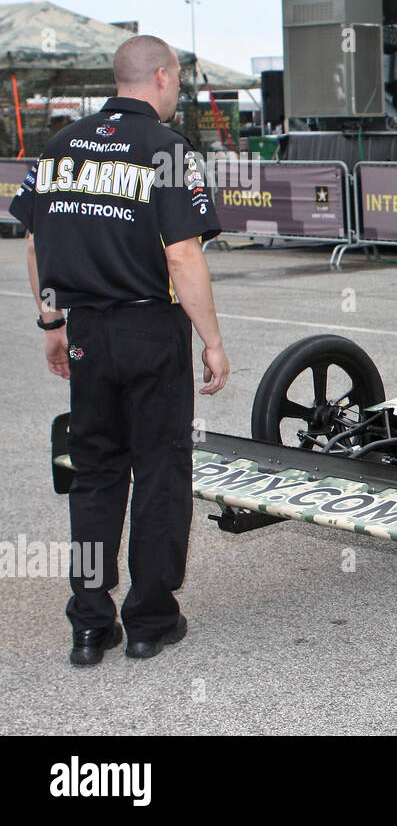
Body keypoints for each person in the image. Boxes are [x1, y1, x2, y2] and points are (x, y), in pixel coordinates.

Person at [8, 35, 228, 666]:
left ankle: (88, 625)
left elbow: (34, 245)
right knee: (161, 469)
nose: (179, 88)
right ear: (160, 76)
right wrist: (211, 341)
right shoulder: (166, 149)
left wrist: (52, 321)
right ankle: (151, 621)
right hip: (150, 331)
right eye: (178, 78)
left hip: (86, 335)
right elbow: (182, 254)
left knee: (94, 475)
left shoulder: (61, 145)